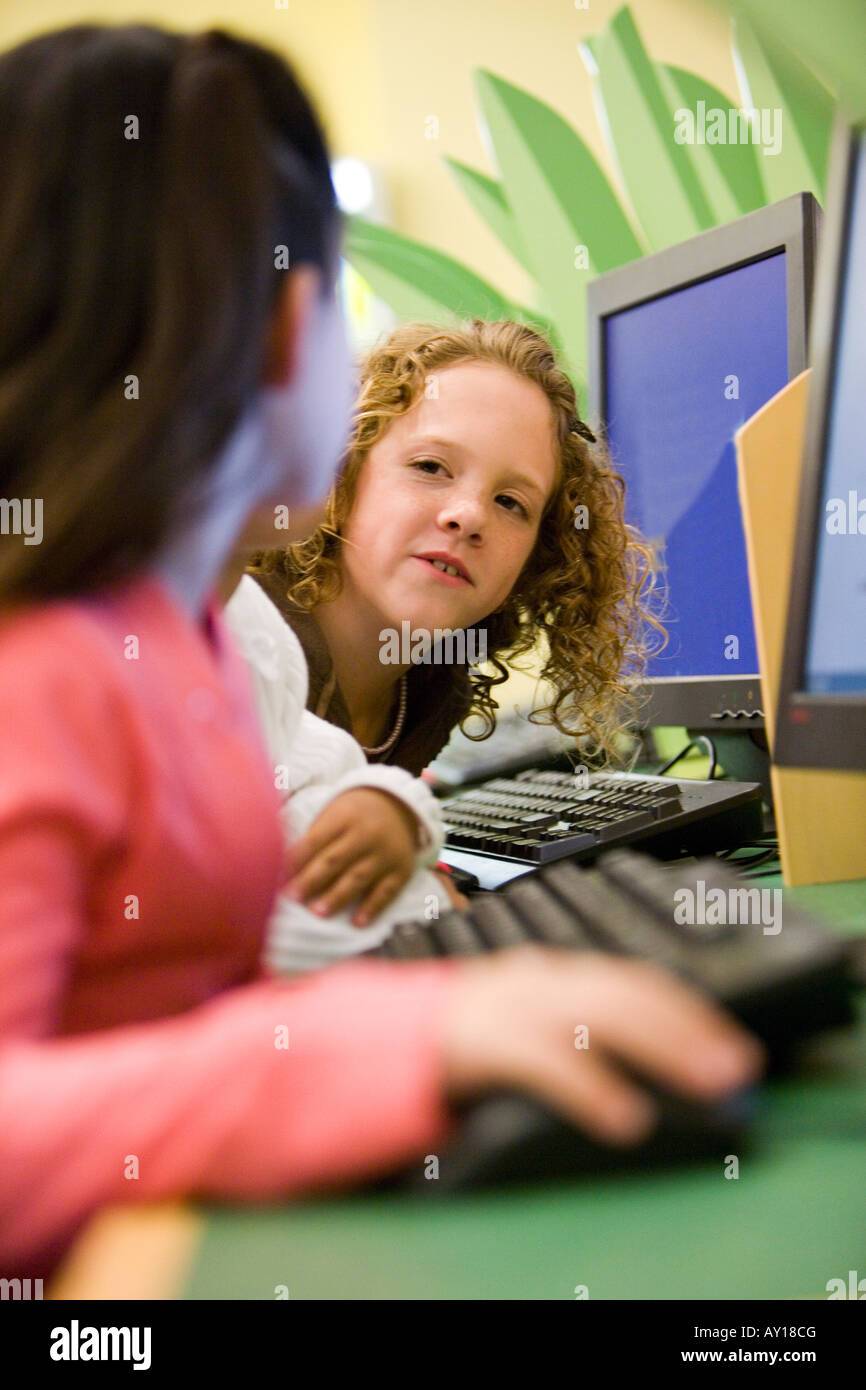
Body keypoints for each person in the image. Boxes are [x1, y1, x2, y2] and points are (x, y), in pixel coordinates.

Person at [0, 22, 763, 1284]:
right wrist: (413, 1039)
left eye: (514, 502)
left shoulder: (174, 641)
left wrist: (419, 958)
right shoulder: (56, 671)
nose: (467, 514)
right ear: (300, 338)